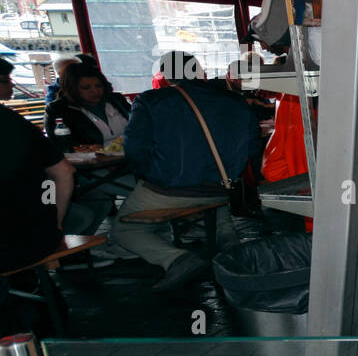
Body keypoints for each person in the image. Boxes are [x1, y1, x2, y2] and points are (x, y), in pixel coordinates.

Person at [111, 52, 261, 292]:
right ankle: (237, 260)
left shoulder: (150, 101)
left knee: (124, 229)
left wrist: (150, 177)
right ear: (199, 71)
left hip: (172, 189)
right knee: (218, 212)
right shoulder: (234, 101)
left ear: (166, 76)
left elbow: (135, 150)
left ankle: (176, 259)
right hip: (226, 187)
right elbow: (253, 148)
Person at [0, 58, 77, 278]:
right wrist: (56, 225)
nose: (12, 85)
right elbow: (64, 173)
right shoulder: (15, 123)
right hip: (36, 241)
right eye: (6, 80)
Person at [44, 63, 132, 147]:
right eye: (86, 88)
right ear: (72, 89)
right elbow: (62, 146)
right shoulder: (58, 110)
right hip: (91, 161)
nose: (95, 91)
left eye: (99, 86)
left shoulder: (116, 100)